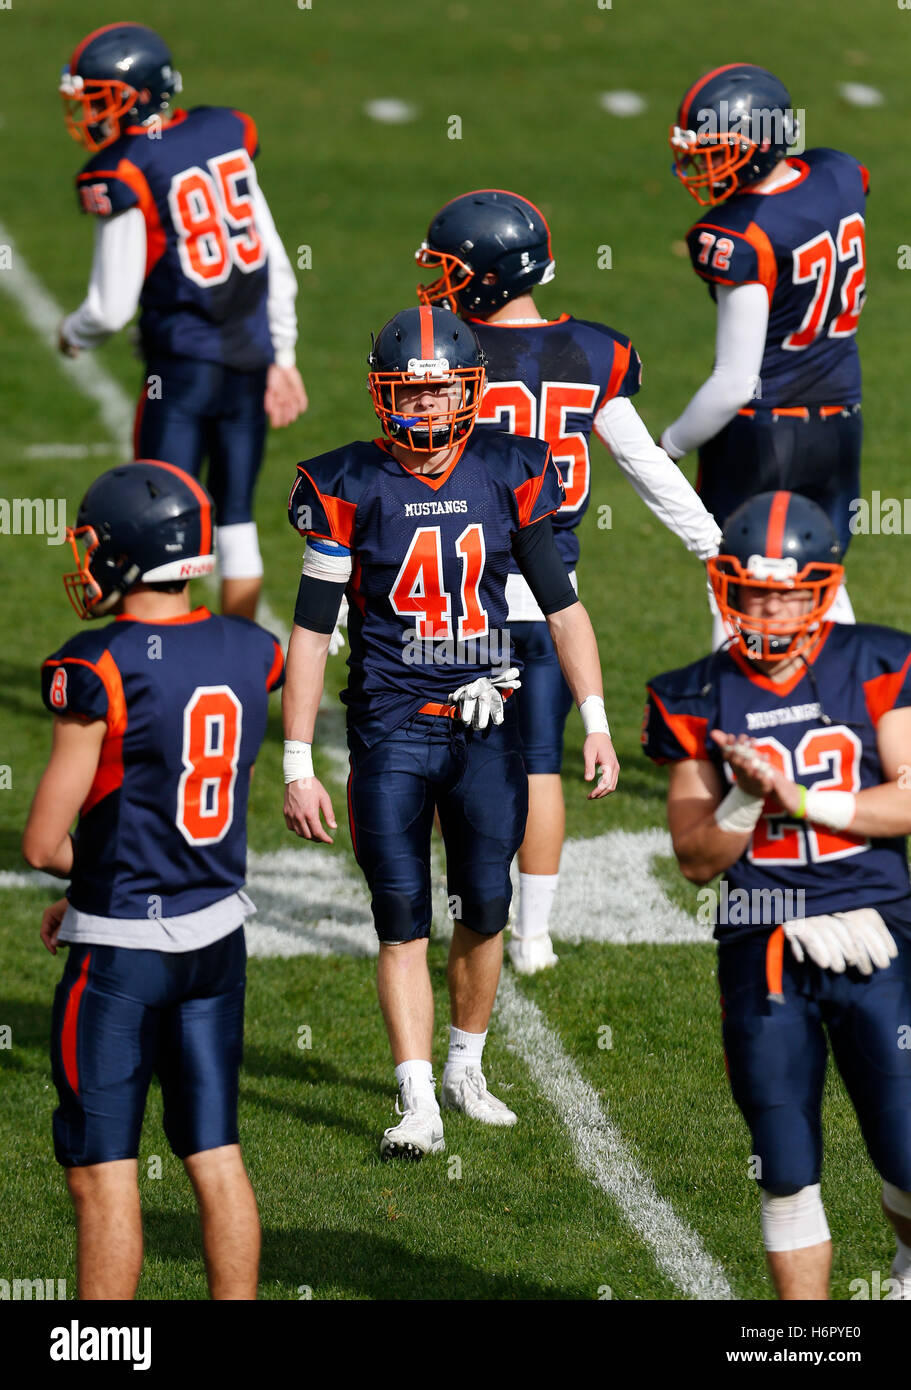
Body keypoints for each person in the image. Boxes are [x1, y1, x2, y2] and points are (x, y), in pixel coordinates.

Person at [282, 304, 618, 1158]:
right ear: (380, 394)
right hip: (391, 721)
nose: (424, 411)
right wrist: (295, 762)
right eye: (409, 394)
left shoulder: (509, 467)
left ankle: (466, 1067)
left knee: (485, 903)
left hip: (485, 713)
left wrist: (595, 720)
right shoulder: (344, 483)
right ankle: (416, 1099)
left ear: (469, 392)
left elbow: (563, 604)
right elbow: (312, 630)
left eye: (438, 394)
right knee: (400, 917)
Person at [414, 188, 721, 973]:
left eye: (448, 269)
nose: (436, 283)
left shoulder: (448, 348)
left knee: (456, 763)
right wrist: (711, 544)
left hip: (460, 592)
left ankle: (473, 911)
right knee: (539, 763)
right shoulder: (592, 351)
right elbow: (646, 465)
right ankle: (535, 936)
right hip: (554, 597)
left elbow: (412, 471)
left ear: (481, 277)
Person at [22, 460, 284, 1299]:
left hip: (121, 957)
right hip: (217, 940)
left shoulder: (97, 664)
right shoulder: (251, 649)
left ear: (124, 552)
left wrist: (91, 882)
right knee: (214, 1156)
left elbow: (39, 841)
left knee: (105, 1176)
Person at [642, 489, 911, 1300]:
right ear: (726, 585)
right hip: (760, 943)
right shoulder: (689, 693)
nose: (769, 608)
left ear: (821, 586)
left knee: (904, 1149)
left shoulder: (875, 660)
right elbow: (693, 860)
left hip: (875, 924)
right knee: (785, 1165)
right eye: (754, 590)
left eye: (788, 589)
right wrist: (743, 799)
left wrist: (799, 801)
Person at [57, 21, 307, 619]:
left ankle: (165, 663)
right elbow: (273, 255)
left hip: (184, 365)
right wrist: (285, 356)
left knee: (156, 516)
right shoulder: (224, 129)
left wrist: (72, 334)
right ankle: (237, 668)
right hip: (250, 357)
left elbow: (111, 307)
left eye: (98, 97)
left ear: (137, 93)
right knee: (236, 515)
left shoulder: (124, 168)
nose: (89, 112)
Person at [661, 64, 868, 643]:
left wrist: (669, 445)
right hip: (840, 421)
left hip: (763, 435)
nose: (704, 164)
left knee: (739, 589)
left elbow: (734, 381)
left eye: (719, 150)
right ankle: (853, 721)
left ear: (761, 142)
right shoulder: (841, 173)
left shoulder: (734, 234)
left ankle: (742, 721)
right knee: (818, 575)